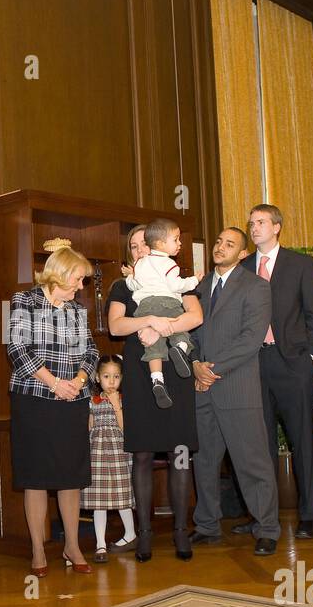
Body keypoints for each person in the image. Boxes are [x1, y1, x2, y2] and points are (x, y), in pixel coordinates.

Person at [108, 224, 203, 561]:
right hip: (140, 374)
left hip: (175, 375)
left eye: (142, 245)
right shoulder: (124, 285)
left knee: (179, 453)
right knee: (143, 455)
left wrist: (167, 326)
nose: (139, 251)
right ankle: (144, 533)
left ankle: (180, 531)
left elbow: (195, 315)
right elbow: (115, 326)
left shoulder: (175, 273)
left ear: (154, 245)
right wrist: (148, 320)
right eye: (133, 248)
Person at [8, 244, 100, 576]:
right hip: (34, 400)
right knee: (36, 476)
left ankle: (72, 546)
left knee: (70, 477)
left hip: (72, 400)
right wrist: (54, 383)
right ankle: (37, 549)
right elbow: (18, 349)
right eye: (78, 279)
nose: (81, 286)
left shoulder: (77, 310)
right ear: (60, 274)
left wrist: (77, 380)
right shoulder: (25, 301)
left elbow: (91, 351)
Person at [233, 204, 313, 539]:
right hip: (251, 364)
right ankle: (260, 515)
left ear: (276, 227)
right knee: (258, 444)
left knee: (302, 439)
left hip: (292, 363)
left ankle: (309, 514)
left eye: (260, 222)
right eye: (251, 223)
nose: (254, 228)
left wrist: (310, 356)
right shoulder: (242, 268)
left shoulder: (300, 264)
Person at [190, 226, 282, 556]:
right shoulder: (199, 286)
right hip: (202, 388)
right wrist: (195, 364)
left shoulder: (256, 287)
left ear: (242, 253)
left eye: (229, 244)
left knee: (251, 462)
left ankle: (267, 528)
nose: (220, 247)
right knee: (203, 462)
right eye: (218, 241)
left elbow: (250, 339)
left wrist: (211, 369)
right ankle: (207, 525)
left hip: (237, 388)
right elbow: (188, 332)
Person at [126, 217, 201, 408]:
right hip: (166, 303)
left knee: (153, 347)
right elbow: (176, 285)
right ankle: (180, 349)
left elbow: (134, 284)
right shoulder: (169, 264)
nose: (179, 243)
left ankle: (157, 380)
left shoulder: (140, 266)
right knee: (178, 327)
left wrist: (129, 278)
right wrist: (193, 280)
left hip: (144, 308)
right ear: (160, 243)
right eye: (176, 239)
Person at [82, 356, 135, 564]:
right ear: (97, 378)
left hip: (119, 453)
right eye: (106, 376)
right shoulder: (92, 401)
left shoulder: (122, 400)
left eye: (116, 377)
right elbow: (89, 428)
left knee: (123, 496)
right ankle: (100, 543)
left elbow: (126, 429)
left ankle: (130, 533)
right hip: (98, 455)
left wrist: (116, 406)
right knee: (99, 501)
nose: (111, 381)